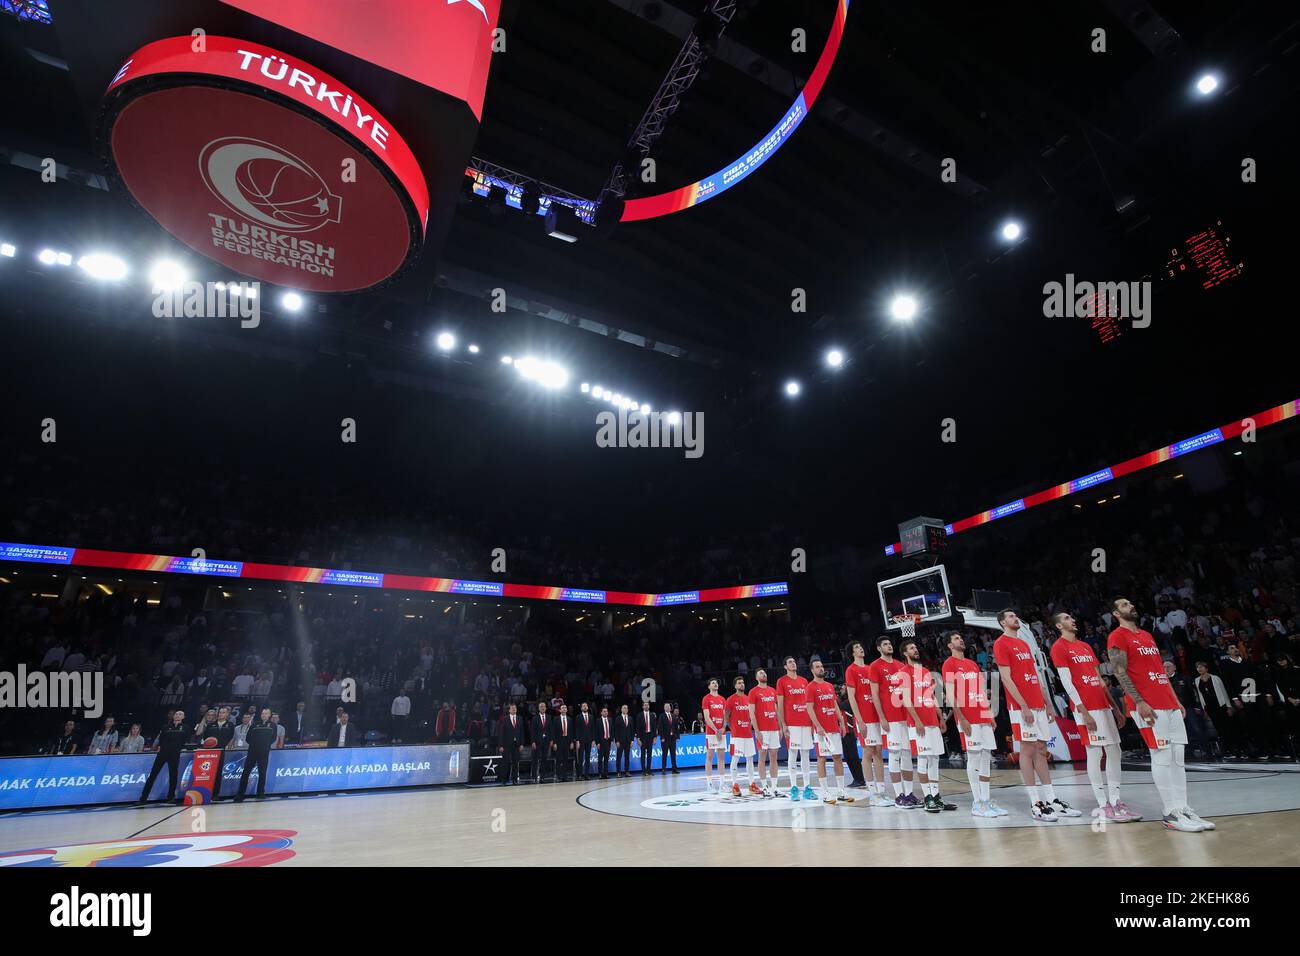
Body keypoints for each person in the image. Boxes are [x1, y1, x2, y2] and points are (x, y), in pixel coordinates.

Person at [1108, 598, 1214, 831]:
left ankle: (1183, 807)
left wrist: (1175, 700)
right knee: (1162, 757)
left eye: (1131, 603)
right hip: (1146, 705)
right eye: (1125, 605)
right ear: (1116, 613)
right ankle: (1170, 812)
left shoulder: (1147, 635)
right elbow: (1118, 671)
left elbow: (1160, 671)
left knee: (1178, 759)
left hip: (1168, 702)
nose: (1131, 606)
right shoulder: (1117, 636)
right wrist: (1138, 701)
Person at [1051, 613, 1138, 823]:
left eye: (1072, 617)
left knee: (1114, 750)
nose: (1072, 619)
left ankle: (1116, 800)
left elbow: (1099, 679)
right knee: (1094, 752)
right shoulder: (1059, 647)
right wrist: (1083, 710)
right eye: (1066, 618)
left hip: (1103, 705)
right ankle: (1102, 803)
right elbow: (1067, 682)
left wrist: (1115, 707)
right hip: (1086, 707)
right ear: (1058, 625)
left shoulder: (1086, 647)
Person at [994, 609, 1079, 822]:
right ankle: (1036, 803)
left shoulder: (1023, 644)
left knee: (1042, 749)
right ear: (1003, 623)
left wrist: (1048, 704)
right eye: (1012, 617)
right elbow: (1006, 678)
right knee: (1027, 749)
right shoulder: (1001, 643)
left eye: (1016, 616)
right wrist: (1023, 705)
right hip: (1022, 707)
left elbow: (1035, 675)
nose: (1016, 619)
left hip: (1039, 704)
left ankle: (1051, 799)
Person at [942, 631, 1006, 818]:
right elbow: (952, 693)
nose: (961, 639)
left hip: (983, 715)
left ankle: (986, 800)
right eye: (956, 638)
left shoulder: (971, 664)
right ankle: (977, 802)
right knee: (974, 757)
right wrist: (961, 718)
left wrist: (990, 715)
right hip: (967, 718)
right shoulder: (949, 664)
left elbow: (979, 690)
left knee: (986, 757)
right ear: (949, 645)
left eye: (960, 637)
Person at [898, 638, 951, 812]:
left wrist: (940, 717)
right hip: (917, 723)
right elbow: (906, 700)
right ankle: (927, 796)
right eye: (912, 648)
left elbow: (932, 697)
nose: (915, 650)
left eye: (915, 647)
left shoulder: (926, 671)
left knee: (934, 758)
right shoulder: (904, 672)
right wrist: (917, 720)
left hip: (932, 721)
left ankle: (936, 796)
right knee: (923, 759)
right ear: (905, 653)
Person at [868, 634, 917, 808]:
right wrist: (881, 717)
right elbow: (874, 694)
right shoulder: (874, 666)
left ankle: (910, 793)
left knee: (907, 754)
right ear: (879, 648)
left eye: (890, 643)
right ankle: (898, 795)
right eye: (885, 644)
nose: (889, 646)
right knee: (895, 754)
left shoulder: (900, 665)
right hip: (890, 717)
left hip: (905, 716)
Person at [843, 641, 891, 807]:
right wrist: (859, 720)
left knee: (879, 751)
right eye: (856, 647)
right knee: (868, 751)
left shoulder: (871, 668)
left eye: (861, 646)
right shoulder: (851, 670)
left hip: (877, 715)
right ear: (852, 653)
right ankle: (871, 793)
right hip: (864, 717)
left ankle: (881, 791)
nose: (860, 648)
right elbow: (852, 697)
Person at [806, 659, 852, 804]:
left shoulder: (829, 686)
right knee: (822, 758)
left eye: (822, 666)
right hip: (822, 730)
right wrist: (817, 726)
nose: (821, 668)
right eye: (817, 667)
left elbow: (834, 704)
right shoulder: (810, 687)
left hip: (834, 727)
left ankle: (841, 791)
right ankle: (825, 792)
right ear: (812, 670)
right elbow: (809, 708)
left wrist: (842, 722)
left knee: (838, 757)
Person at [776, 657, 814, 800]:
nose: (793, 664)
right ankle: (794, 788)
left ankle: (807, 787)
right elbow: (780, 705)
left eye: (794, 661)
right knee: (793, 754)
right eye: (790, 662)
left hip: (806, 722)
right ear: (785, 666)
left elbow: (809, 703)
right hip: (791, 723)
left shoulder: (804, 681)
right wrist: (783, 724)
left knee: (805, 755)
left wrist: (811, 723)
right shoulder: (782, 681)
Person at [139, 710, 188, 803]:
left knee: (173, 776)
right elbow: (161, 740)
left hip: (175, 754)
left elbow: (185, 740)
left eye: (180, 714)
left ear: (183, 717)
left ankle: (170, 797)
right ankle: (143, 798)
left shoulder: (185, 727)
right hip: (163, 753)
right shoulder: (165, 726)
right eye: (176, 714)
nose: (177, 715)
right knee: (153, 775)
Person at [747, 669, 781, 796]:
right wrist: (757, 730)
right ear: (756, 677)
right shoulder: (753, 692)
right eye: (760, 673)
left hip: (774, 728)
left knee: (774, 756)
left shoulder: (772, 691)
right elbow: (752, 713)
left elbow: (776, 710)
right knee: (762, 757)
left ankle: (774, 786)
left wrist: (781, 726)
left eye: (764, 673)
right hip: (762, 729)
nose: (764, 674)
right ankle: (765, 786)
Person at [725, 676, 759, 796]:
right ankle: (735, 785)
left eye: (743, 682)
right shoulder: (731, 699)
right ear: (735, 686)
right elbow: (726, 716)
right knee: (735, 759)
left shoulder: (748, 699)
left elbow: (752, 715)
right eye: (739, 683)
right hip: (737, 735)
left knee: (750, 759)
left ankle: (752, 785)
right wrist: (731, 727)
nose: (742, 684)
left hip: (748, 734)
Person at [236, 707, 277, 800]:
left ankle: (260, 793)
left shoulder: (273, 725)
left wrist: (264, 746)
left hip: (264, 752)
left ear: (269, 715)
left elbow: (273, 738)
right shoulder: (255, 724)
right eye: (263, 713)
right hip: (252, 751)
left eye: (266, 713)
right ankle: (240, 794)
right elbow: (248, 738)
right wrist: (255, 745)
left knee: (262, 773)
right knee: (246, 772)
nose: (264, 715)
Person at [701, 678, 728, 793]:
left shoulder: (722, 699)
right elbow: (707, 718)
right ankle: (710, 784)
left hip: (721, 732)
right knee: (710, 757)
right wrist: (716, 730)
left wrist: (722, 728)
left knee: (721, 758)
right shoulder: (706, 699)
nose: (715, 684)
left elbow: (725, 716)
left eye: (716, 682)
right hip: (711, 733)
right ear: (709, 686)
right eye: (713, 683)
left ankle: (722, 784)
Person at [498, 702, 524, 785]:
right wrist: (501, 745)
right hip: (506, 745)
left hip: (517, 744)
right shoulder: (505, 719)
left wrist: (522, 744)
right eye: (512, 708)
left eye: (515, 708)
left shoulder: (520, 718)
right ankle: (504, 780)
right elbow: (501, 732)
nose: (514, 709)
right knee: (505, 762)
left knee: (516, 762)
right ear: (509, 710)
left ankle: (515, 779)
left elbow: (522, 732)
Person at [530, 702, 552, 783]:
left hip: (546, 741)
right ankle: (534, 777)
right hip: (537, 741)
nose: (542, 708)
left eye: (544, 706)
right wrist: (533, 742)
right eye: (541, 706)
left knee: (544, 759)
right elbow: (532, 731)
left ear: (546, 708)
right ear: (539, 708)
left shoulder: (549, 717)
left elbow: (551, 729)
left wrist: (551, 740)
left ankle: (542, 777)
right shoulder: (535, 718)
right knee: (535, 759)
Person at [553, 703, 575, 782]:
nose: (564, 709)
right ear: (560, 710)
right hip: (559, 741)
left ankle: (565, 776)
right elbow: (554, 732)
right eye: (562, 708)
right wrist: (554, 743)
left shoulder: (569, 719)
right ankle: (558, 775)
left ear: (567, 710)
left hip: (567, 740)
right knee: (559, 759)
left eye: (565, 708)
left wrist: (572, 742)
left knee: (566, 759)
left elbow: (571, 731)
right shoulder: (556, 719)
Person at [635, 700, 657, 776]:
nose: (646, 706)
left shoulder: (652, 715)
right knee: (643, 755)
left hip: (650, 737)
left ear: (649, 706)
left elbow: (654, 727)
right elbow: (637, 728)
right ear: (642, 706)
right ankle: (643, 771)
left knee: (650, 754)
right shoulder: (639, 715)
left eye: (647, 705)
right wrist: (638, 739)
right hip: (642, 737)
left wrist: (655, 737)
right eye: (645, 705)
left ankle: (649, 770)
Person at [658, 702, 681, 774]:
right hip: (665, 739)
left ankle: (674, 769)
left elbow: (676, 728)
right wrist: (662, 737)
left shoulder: (673, 716)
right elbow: (660, 727)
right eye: (666, 706)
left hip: (673, 738)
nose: (668, 708)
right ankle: (664, 769)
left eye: (669, 707)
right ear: (664, 708)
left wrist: (677, 737)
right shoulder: (662, 716)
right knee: (664, 754)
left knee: (673, 754)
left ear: (670, 708)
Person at [575, 701, 595, 780]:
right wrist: (577, 741)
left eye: (586, 706)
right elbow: (577, 729)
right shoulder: (578, 717)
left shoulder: (591, 716)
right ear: (581, 708)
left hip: (589, 740)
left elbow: (593, 729)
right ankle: (579, 775)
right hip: (581, 740)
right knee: (580, 758)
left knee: (587, 757)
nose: (585, 707)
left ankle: (587, 774)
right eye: (583, 706)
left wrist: (593, 740)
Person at [614, 703, 634, 777]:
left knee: (627, 757)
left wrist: (632, 740)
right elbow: (616, 731)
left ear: (628, 710)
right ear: (621, 709)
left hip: (628, 741)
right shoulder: (618, 718)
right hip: (620, 741)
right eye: (624, 708)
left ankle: (627, 772)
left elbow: (632, 730)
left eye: (626, 708)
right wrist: (617, 741)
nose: (625, 709)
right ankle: (618, 772)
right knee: (619, 757)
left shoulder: (630, 718)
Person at [594, 705, 614, 779]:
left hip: (608, 741)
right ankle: (600, 774)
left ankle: (606, 774)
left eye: (606, 711)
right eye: (604, 711)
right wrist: (597, 742)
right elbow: (596, 733)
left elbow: (612, 731)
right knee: (600, 759)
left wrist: (611, 740)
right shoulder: (598, 721)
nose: (606, 713)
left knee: (606, 758)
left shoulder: (610, 720)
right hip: (601, 742)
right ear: (601, 713)